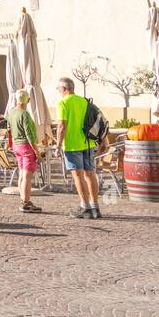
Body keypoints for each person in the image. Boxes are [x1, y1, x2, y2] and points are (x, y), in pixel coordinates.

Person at [56, 77, 100, 218]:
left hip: (72, 145)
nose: (59, 91)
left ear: (64, 89)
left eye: (59, 89)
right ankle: (95, 207)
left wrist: (57, 145)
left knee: (78, 176)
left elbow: (62, 126)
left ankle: (85, 207)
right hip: (88, 143)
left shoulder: (63, 103)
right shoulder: (84, 101)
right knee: (90, 174)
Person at [7, 90, 42, 214]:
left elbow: (9, 129)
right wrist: (37, 151)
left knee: (22, 174)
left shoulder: (11, 113)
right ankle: (26, 203)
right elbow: (29, 135)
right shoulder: (25, 114)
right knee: (27, 176)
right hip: (26, 146)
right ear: (28, 100)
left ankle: (23, 200)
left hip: (17, 146)